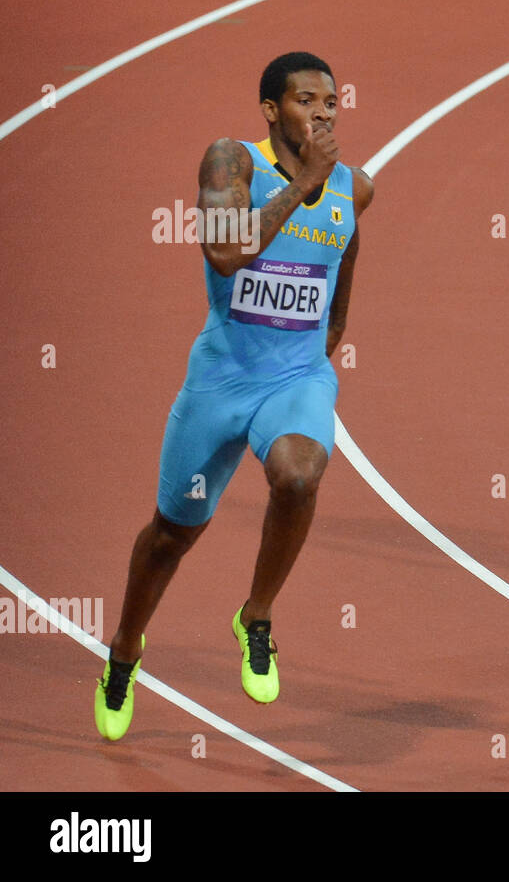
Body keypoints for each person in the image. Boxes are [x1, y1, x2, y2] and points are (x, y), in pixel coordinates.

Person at [94, 52, 374, 740]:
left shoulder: (353, 187)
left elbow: (343, 261)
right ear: (272, 111)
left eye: (332, 102)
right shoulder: (230, 163)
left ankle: (256, 615)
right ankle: (124, 652)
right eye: (307, 100)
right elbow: (224, 254)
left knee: (300, 473)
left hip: (295, 380)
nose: (325, 112)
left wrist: (318, 352)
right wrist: (303, 182)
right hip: (220, 382)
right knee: (171, 536)